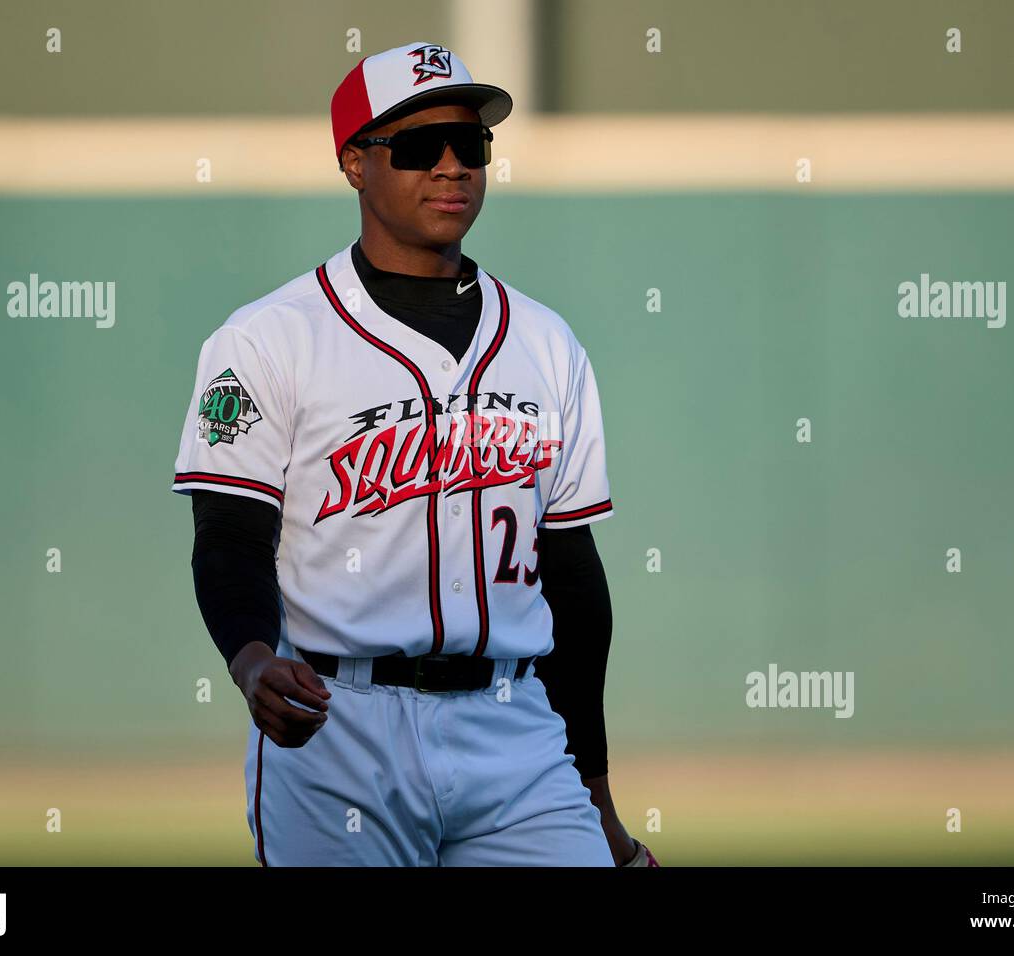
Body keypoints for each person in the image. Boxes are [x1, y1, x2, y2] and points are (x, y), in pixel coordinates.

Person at [174, 41, 657, 867]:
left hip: (515, 728)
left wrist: (599, 799)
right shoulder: (269, 339)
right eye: (417, 146)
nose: (450, 166)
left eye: (469, 146)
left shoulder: (544, 342)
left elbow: (572, 577)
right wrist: (252, 659)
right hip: (337, 730)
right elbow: (230, 537)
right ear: (355, 163)